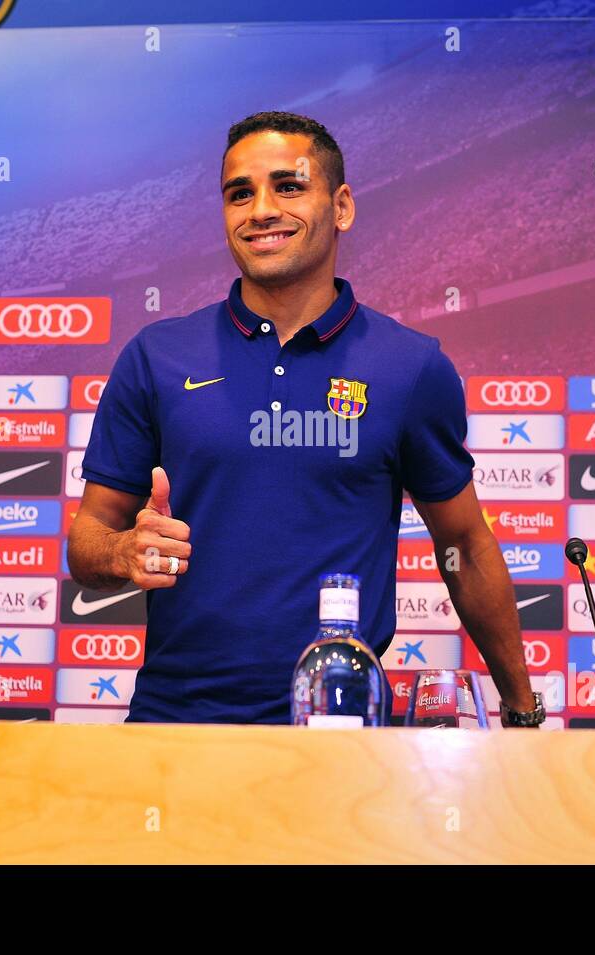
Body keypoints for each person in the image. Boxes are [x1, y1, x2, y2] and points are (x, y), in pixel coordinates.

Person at [68, 112, 542, 727]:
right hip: (174, 724)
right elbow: (87, 540)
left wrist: (522, 707)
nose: (260, 209)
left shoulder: (410, 366)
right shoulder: (157, 356)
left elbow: (465, 544)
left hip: (342, 732)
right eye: (240, 193)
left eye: (288, 186)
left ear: (341, 206)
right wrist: (123, 550)